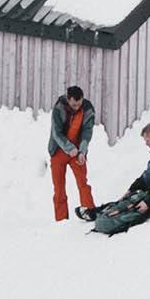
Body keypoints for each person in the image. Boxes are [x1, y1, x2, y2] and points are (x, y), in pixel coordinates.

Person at [48, 84, 96, 223]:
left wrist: (82, 151)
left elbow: (87, 132)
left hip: (77, 152)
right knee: (59, 188)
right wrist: (69, 148)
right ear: (68, 99)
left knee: (83, 182)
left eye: (79, 103)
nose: (77, 107)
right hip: (59, 150)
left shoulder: (87, 109)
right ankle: (61, 220)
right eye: (74, 104)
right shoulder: (59, 108)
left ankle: (89, 211)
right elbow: (56, 133)